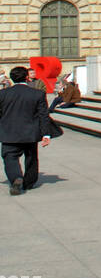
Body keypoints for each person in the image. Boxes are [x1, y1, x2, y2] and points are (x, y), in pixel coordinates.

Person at [0, 65, 51, 194]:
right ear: (27, 78)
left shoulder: (3, 94)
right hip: (30, 132)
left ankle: (16, 177)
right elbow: (43, 115)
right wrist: (46, 134)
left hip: (9, 132)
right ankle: (29, 183)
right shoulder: (38, 94)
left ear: (11, 78)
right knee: (31, 157)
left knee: (9, 157)